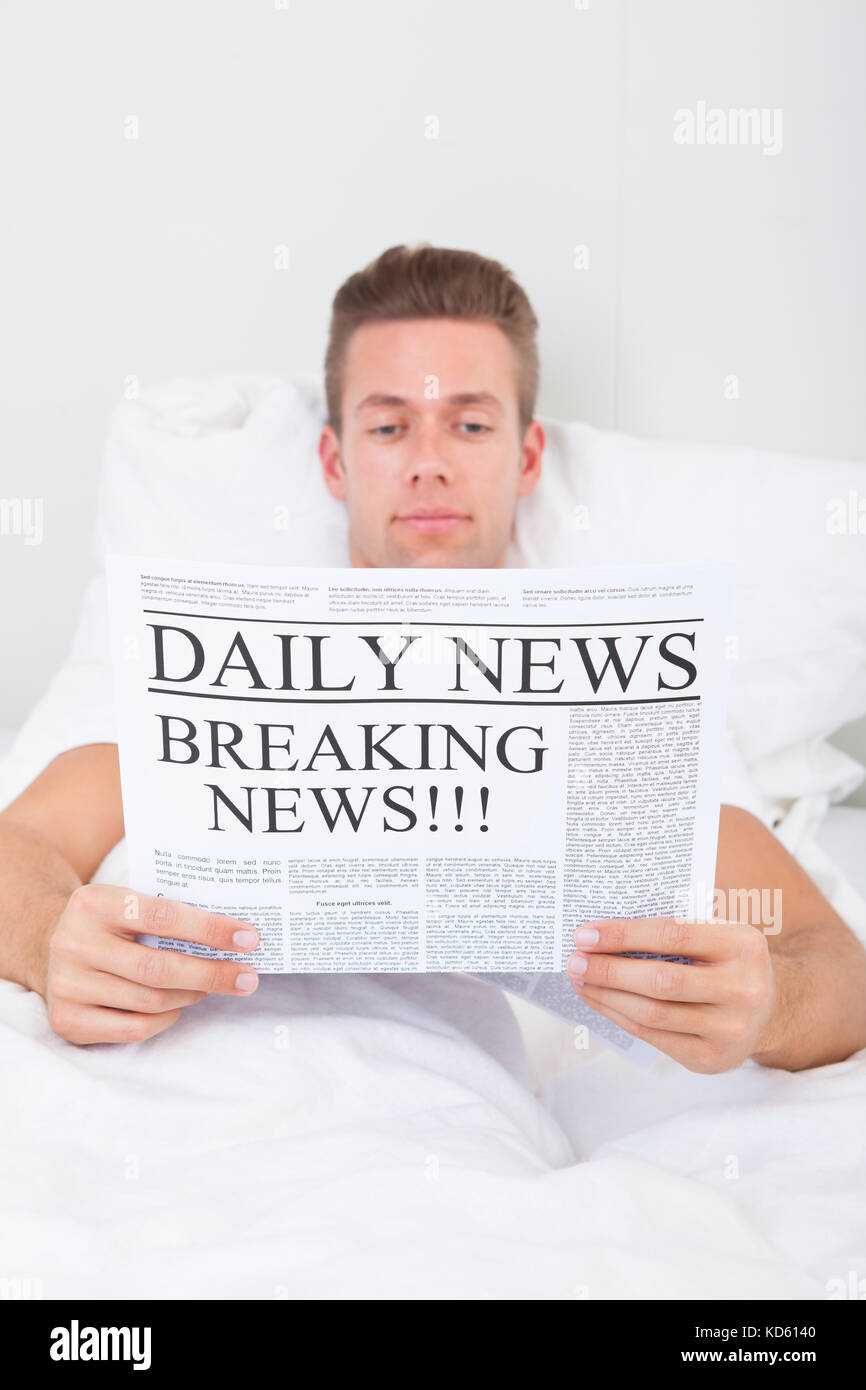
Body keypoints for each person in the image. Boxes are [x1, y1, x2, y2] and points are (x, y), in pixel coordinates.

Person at [1, 243, 864, 1073]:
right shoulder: (222, 657)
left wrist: (770, 1005)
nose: (428, 465)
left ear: (527, 457)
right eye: (389, 425)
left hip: (468, 1125)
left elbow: (836, 968)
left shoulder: (626, 691)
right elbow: (25, 845)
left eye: (470, 423)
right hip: (196, 1096)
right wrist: (48, 940)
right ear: (335, 462)